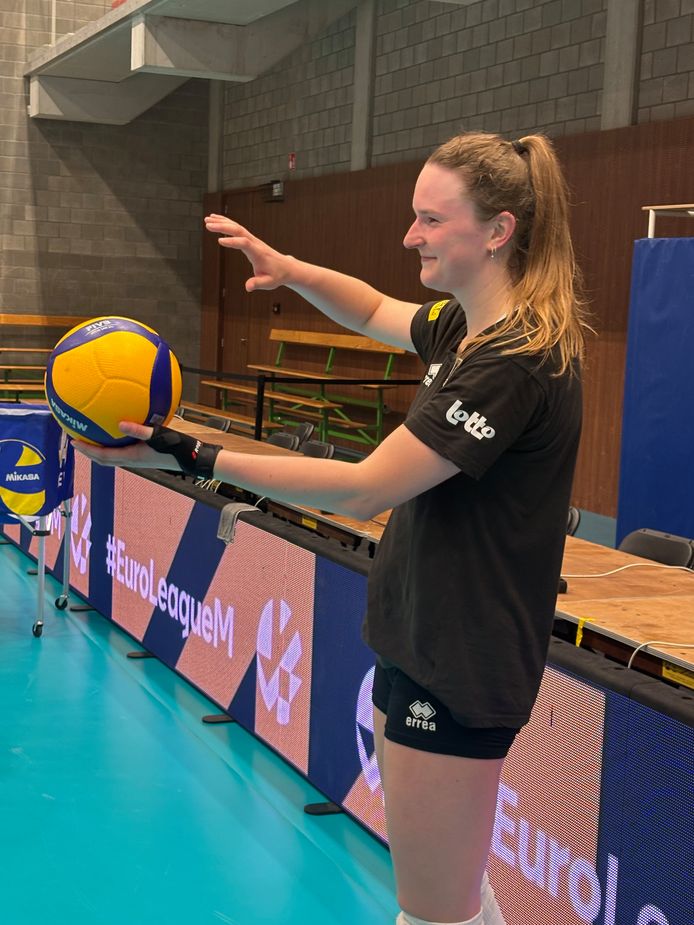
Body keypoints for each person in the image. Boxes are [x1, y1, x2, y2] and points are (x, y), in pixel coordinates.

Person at [76, 131, 588, 925]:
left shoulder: (513, 361)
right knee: (452, 897)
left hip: (461, 661)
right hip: (417, 639)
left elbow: (362, 488)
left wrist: (192, 454)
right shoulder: (464, 326)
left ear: (498, 230)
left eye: (430, 220)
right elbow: (376, 310)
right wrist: (289, 269)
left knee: (435, 912)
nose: (410, 236)